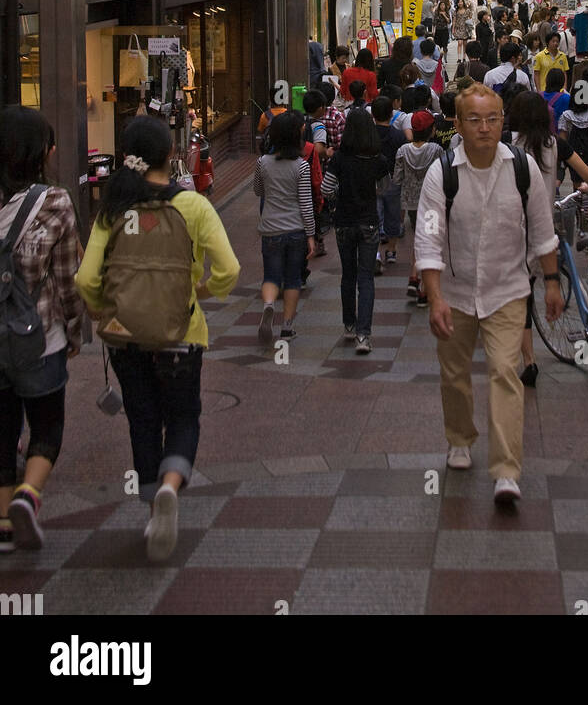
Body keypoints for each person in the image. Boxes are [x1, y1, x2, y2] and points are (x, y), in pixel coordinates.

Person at [77, 116, 240, 562]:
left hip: (125, 339)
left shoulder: (113, 208)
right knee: (184, 416)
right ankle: (172, 484)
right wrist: (201, 291)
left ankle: (153, 507)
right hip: (181, 334)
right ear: (172, 154)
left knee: (143, 420)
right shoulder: (193, 207)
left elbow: (87, 277)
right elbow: (229, 270)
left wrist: (99, 307)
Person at [414, 86, 562, 505]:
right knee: (455, 374)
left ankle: (507, 470)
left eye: (493, 118)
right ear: (457, 125)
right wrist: (435, 297)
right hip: (456, 294)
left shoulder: (523, 168)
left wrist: (551, 282)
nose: (485, 127)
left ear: (504, 121)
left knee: (504, 371)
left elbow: (542, 228)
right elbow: (428, 239)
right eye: (475, 120)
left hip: (508, 289)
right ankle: (460, 438)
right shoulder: (441, 173)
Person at [0, 107, 84, 553]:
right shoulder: (54, 202)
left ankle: (3, 526)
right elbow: (70, 278)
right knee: (47, 427)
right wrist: (75, 330)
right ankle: (28, 496)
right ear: (40, 153)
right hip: (40, 337)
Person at [506, 91, 588, 388]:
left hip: (515, 231)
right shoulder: (555, 143)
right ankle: (584, 350)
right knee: (550, 276)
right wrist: (583, 187)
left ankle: (529, 361)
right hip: (546, 225)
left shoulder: (508, 145)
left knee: (523, 296)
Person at [321, 109, 390, 354]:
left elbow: (326, 188)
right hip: (369, 222)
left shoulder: (339, 159)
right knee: (366, 278)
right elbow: (383, 188)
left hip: (344, 222)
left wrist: (339, 197)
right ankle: (364, 335)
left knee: (347, 275)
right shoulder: (378, 159)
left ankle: (349, 325)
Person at [253, 112, 316, 345]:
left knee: (271, 274)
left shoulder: (262, 163)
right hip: (296, 229)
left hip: (270, 227)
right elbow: (306, 204)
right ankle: (287, 327)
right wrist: (311, 234)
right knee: (292, 279)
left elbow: (258, 191)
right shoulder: (301, 166)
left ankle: (269, 304)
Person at [393, 111, 444, 308]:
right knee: (429, 243)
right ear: (432, 130)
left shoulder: (403, 150)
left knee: (419, 238)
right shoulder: (436, 150)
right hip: (431, 202)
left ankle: (414, 277)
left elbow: (397, 178)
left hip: (410, 202)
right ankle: (423, 290)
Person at [372, 96, 406, 265]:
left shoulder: (368, 135)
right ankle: (391, 250)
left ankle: (376, 252)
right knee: (393, 215)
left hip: (372, 180)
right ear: (391, 113)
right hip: (394, 180)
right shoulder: (399, 136)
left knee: (374, 216)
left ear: (373, 115)